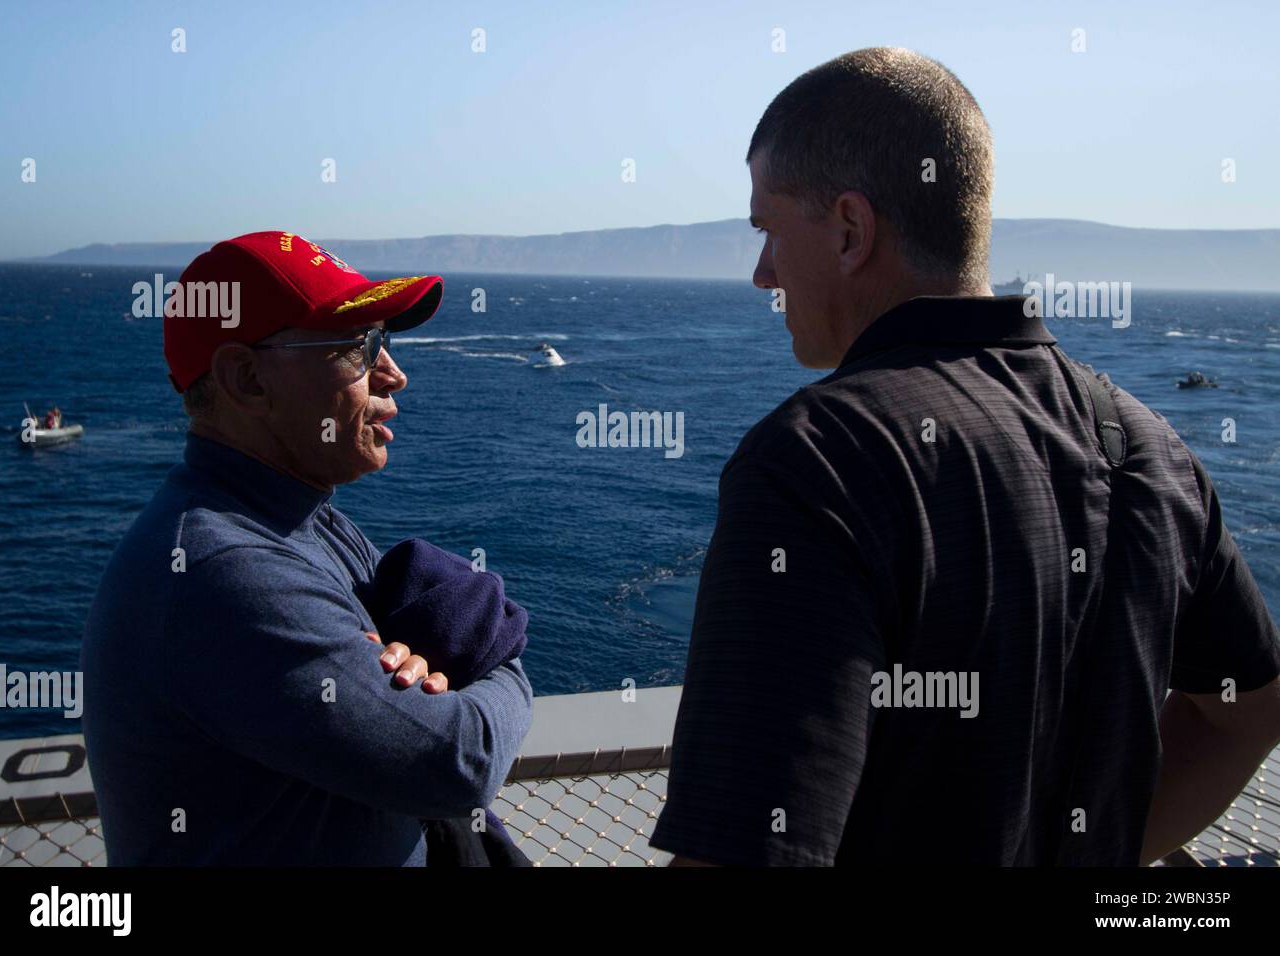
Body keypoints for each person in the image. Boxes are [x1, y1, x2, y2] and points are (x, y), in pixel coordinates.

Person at [649, 48, 1280, 866]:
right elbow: (1248, 713)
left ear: (850, 230)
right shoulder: (1151, 449)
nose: (762, 272)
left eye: (768, 228)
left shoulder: (815, 462)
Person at [80, 231, 534, 865]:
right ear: (246, 378)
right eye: (358, 346)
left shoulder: (301, 519)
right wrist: (503, 658)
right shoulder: (225, 572)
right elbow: (459, 762)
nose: (394, 374)